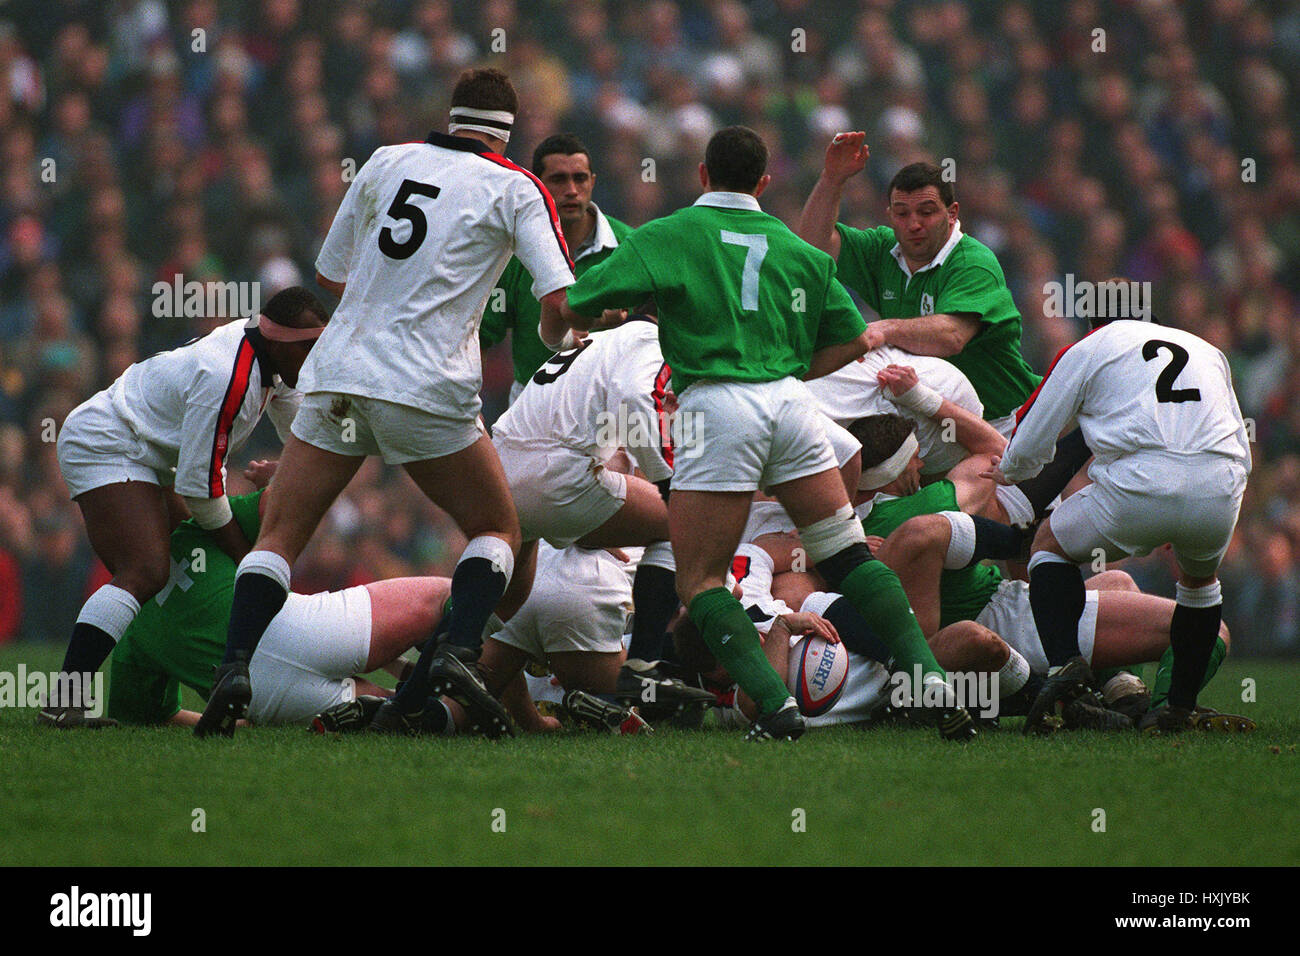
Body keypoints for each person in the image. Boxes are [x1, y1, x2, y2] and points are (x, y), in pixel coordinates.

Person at [547, 125, 974, 741]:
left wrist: (615, 309)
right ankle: (930, 680)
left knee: (699, 580)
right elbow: (856, 339)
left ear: (703, 175)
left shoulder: (669, 233)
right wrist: (792, 368)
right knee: (847, 554)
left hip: (718, 407)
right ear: (764, 183)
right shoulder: (799, 250)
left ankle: (775, 706)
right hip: (792, 404)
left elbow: (577, 305)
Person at [199, 67, 575, 738]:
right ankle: (459, 650)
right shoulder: (518, 186)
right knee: (498, 529)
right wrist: (559, 340)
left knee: (280, 535)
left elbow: (329, 274)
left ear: (452, 115)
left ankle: (233, 668)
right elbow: (558, 301)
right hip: (426, 385)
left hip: (339, 369)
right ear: (507, 132)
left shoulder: (384, 160)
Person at [39, 286, 326, 729]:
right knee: (146, 570)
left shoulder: (274, 360)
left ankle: (171, 691)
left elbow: (302, 438)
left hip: (147, 451)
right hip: (107, 442)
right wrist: (247, 559)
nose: (313, 357)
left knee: (189, 558)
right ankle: (63, 702)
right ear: (276, 340)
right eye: (306, 346)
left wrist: (287, 472)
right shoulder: (227, 377)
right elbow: (200, 491)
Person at [983, 306, 1254, 734]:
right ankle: (1177, 707)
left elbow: (1035, 431)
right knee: (1200, 584)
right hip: (1219, 484)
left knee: (1049, 545)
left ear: (1095, 324)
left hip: (1140, 482)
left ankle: (1066, 668)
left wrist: (1012, 469)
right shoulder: (1208, 350)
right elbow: (1241, 442)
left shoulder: (1091, 346)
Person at [108, 480, 473, 734]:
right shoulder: (201, 527)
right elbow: (287, 504)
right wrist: (273, 478)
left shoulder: (131, 628)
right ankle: (483, 683)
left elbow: (155, 717)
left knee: (412, 717)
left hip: (262, 696)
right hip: (308, 628)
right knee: (450, 595)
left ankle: (420, 696)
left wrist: (240, 722)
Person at [797, 133, 1039, 437]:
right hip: (932, 418)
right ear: (890, 215)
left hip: (1007, 421)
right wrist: (832, 180)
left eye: (926, 212)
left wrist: (885, 329)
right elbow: (813, 246)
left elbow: (952, 336)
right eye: (902, 213)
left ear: (951, 213)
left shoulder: (973, 262)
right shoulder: (881, 249)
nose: (913, 224)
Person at [490, 314, 679, 662]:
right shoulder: (651, 342)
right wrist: (667, 484)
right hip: (556, 480)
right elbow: (636, 402)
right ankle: (645, 663)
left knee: (501, 611)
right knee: (687, 522)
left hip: (502, 468)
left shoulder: (596, 347)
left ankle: (437, 664)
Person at [480, 133, 633, 402]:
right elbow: (480, 337)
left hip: (610, 406)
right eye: (559, 179)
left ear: (593, 182)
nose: (571, 190)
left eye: (580, 178)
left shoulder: (630, 247)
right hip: (532, 405)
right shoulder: (512, 253)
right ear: (536, 184)